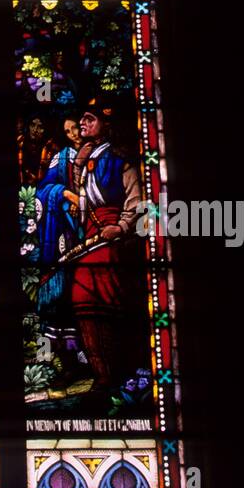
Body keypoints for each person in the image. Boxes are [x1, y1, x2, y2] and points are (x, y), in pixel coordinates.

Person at [66, 99, 143, 396]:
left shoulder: (119, 158)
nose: (83, 125)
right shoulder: (82, 159)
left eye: (89, 119)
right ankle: (100, 374)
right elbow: (81, 199)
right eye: (81, 120)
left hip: (110, 237)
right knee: (83, 301)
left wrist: (122, 227)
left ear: (106, 123)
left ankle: (118, 371)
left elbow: (134, 199)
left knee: (109, 299)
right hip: (90, 234)